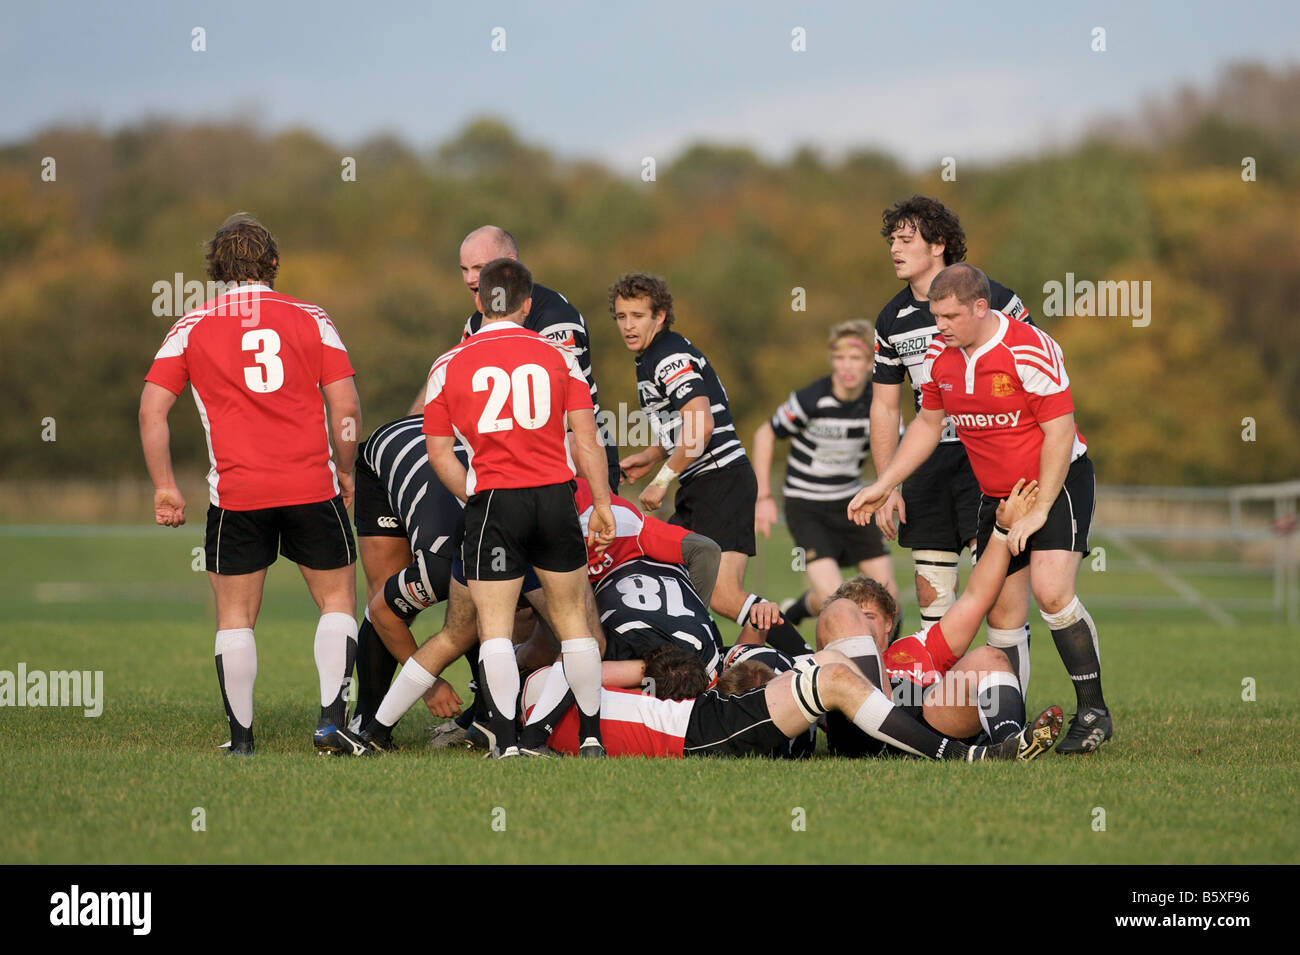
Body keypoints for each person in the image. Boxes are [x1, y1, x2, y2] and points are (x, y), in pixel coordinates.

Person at [849, 264, 1112, 754]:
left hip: (1056, 482)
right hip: (998, 496)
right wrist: (885, 483)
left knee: (1052, 591)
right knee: (1003, 614)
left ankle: (1094, 711)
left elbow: (1059, 432)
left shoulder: (1030, 347)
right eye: (935, 315)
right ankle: (1011, 729)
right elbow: (928, 425)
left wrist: (1039, 510)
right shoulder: (939, 354)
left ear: (979, 308)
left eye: (949, 315)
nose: (940, 325)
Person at [139, 213, 367, 757]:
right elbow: (347, 406)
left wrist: (166, 486)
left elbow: (152, 411)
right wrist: (345, 467)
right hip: (312, 486)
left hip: (236, 494)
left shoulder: (190, 325)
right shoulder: (311, 318)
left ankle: (241, 740)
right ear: (273, 264)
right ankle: (331, 722)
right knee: (337, 601)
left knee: (235, 617)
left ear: (216, 269)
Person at [420, 257, 615, 758]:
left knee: (495, 629)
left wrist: (472, 493)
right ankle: (592, 737)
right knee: (573, 619)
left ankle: (505, 743)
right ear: (528, 305)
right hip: (554, 495)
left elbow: (438, 452)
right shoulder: (557, 356)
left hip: (495, 501)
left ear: (481, 301)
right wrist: (601, 504)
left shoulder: (449, 363)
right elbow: (586, 438)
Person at [869, 196, 1034, 689]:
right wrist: (887, 484)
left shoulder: (992, 297)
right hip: (925, 464)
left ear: (938, 244)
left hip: (987, 457)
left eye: (907, 240)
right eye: (892, 241)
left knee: (1002, 599)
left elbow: (1036, 373)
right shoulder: (890, 319)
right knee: (933, 595)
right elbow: (884, 407)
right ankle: (939, 715)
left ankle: (1011, 713)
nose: (895, 250)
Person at [611, 271, 806, 656]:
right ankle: (713, 668)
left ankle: (806, 665)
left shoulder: (667, 356)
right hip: (709, 484)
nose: (628, 325)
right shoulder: (654, 354)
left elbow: (701, 426)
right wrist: (651, 456)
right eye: (621, 317)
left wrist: (661, 481)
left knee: (723, 594)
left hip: (721, 482)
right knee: (668, 574)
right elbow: (688, 426)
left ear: (660, 316)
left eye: (637, 315)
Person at [822, 478, 1057, 757]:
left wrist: (1002, 531)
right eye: (854, 617)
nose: (860, 623)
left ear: (888, 623)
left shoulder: (918, 646)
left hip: (930, 723)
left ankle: (1012, 745)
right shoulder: (834, 659)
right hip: (861, 735)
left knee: (989, 657)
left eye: (868, 615)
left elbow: (976, 597)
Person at [409, 225, 621, 488]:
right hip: (514, 460)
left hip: (574, 454)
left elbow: (562, 413)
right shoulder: (476, 322)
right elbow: (445, 382)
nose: (469, 279)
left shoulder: (554, 319)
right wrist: (410, 431)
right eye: (464, 269)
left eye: (479, 268)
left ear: (508, 265)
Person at [753, 319, 899, 630]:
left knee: (889, 600)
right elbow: (764, 434)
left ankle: (886, 672)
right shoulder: (811, 399)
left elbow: (900, 447)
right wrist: (763, 497)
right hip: (806, 506)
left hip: (852, 503)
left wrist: (891, 490)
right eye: (840, 357)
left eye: (856, 358)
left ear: (871, 363)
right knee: (838, 603)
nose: (847, 366)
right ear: (832, 360)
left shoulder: (878, 402)